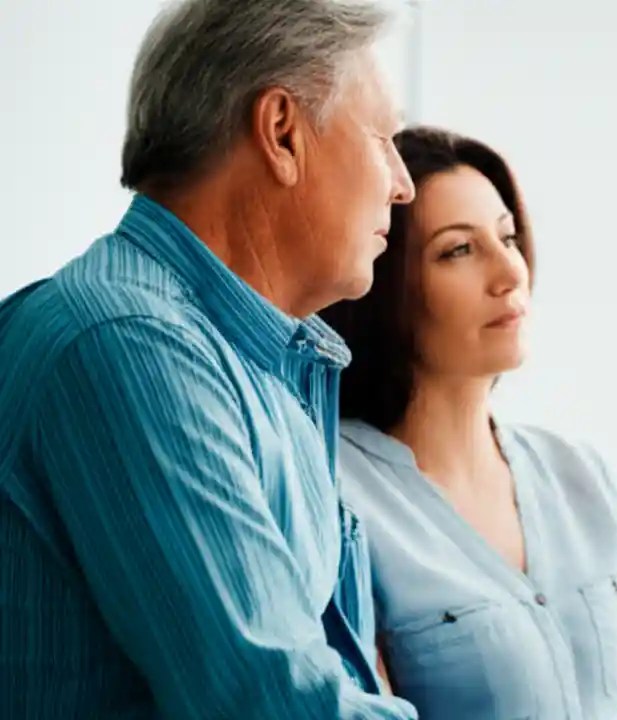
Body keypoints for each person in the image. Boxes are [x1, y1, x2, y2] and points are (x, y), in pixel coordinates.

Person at [0, 1, 419, 718]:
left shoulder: (251, 357)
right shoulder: (131, 345)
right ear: (282, 132)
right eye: (383, 139)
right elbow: (277, 705)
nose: (403, 184)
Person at [319, 126, 617, 720]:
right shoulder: (335, 495)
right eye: (459, 250)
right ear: (385, 285)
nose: (511, 272)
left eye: (508, 237)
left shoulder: (582, 476)